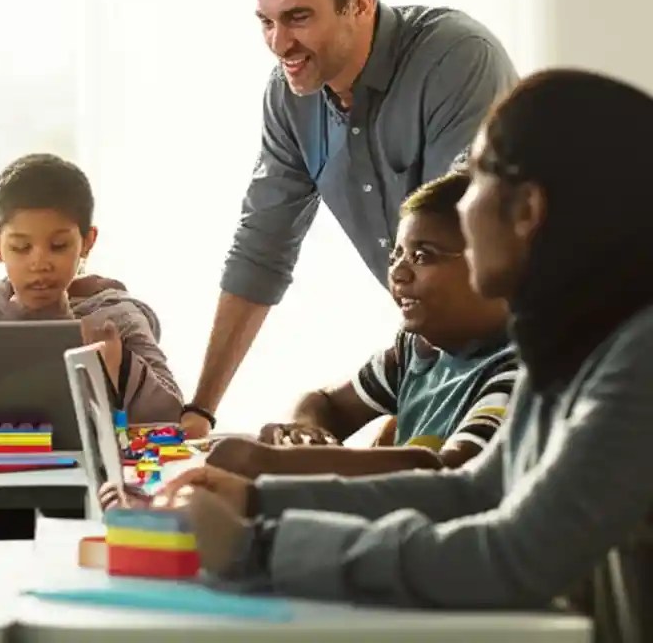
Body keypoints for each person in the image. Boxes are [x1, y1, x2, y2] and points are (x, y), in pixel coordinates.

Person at [149, 69, 653, 611]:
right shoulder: (569, 343)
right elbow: (475, 492)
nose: (463, 207)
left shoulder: (640, 356)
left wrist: (260, 547)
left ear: (527, 210)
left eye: (476, 178)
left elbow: (513, 557)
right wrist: (257, 499)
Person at [181, 0, 518, 438]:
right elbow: (261, 246)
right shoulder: (289, 96)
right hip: (429, 346)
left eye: (298, 18)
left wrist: (402, 421)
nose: (279, 43)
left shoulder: (456, 58)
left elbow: (457, 229)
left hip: (507, 344)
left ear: (359, 3)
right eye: (266, 22)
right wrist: (200, 413)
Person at [207, 170, 516, 479]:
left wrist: (285, 462)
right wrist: (307, 431)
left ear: (496, 264)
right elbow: (328, 402)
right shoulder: (416, 352)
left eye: (422, 256)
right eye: (396, 256)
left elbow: (454, 472)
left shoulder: (517, 372)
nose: (398, 273)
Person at [0, 153, 182, 423]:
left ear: (87, 242)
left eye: (58, 246)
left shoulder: (116, 318)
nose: (39, 264)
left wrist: (118, 364)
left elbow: (174, 417)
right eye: (21, 247)